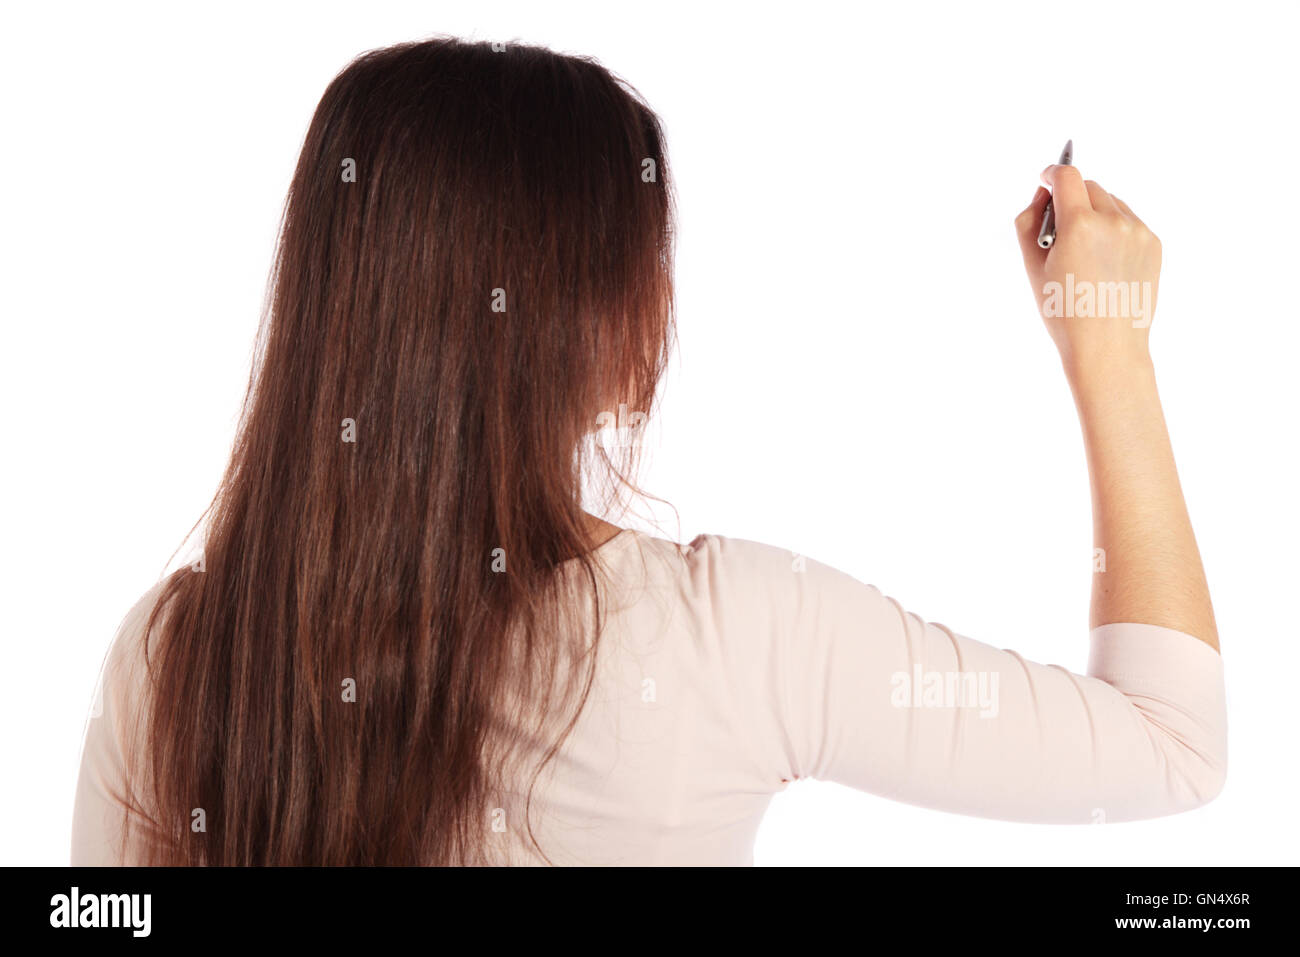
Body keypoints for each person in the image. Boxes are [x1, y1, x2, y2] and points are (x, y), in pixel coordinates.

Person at [72, 37, 1226, 866]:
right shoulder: (736, 639)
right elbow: (1171, 746)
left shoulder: (174, 660)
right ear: (596, 320)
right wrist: (1109, 351)